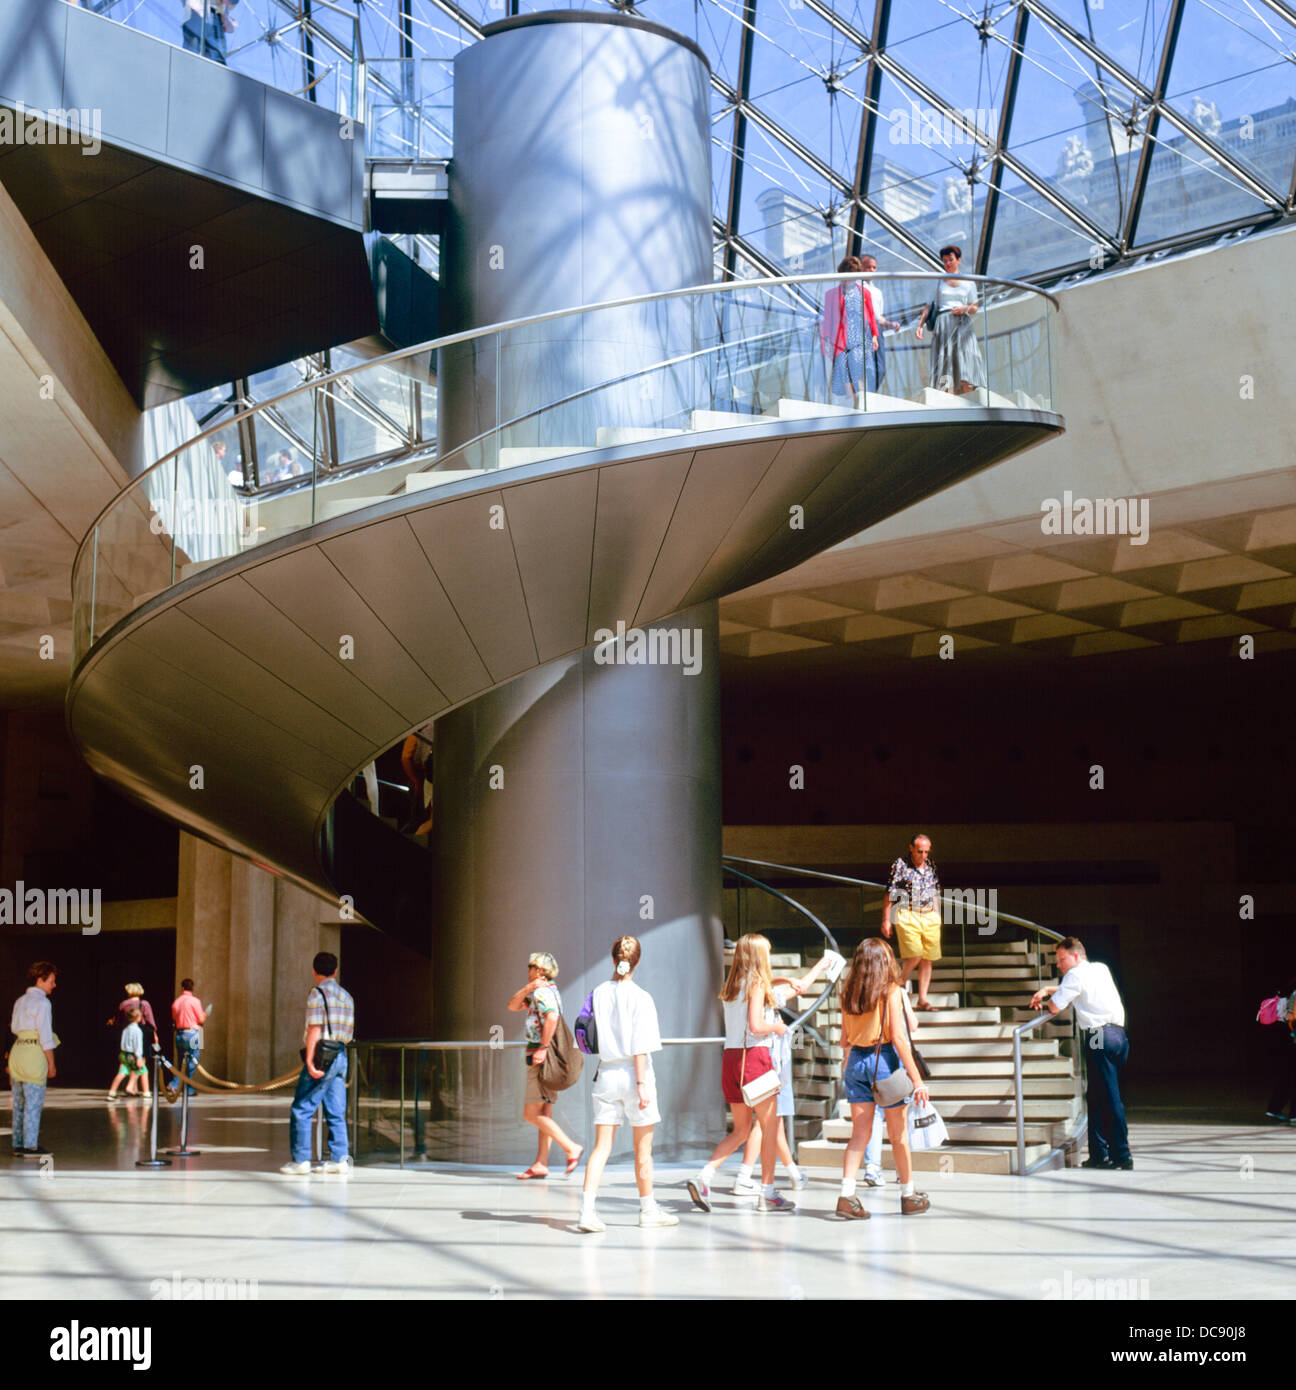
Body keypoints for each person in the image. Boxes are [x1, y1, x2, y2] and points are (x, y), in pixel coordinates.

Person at [577, 936, 678, 1232]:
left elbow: (584, 1034)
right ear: (638, 962)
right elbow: (640, 1046)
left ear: (613, 959)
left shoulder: (597, 993)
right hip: (636, 1077)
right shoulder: (642, 997)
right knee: (642, 1150)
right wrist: (642, 1084)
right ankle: (648, 1209)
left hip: (606, 1074)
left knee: (600, 1148)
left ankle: (586, 1211)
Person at [687, 933, 793, 1214]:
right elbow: (756, 1026)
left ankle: (705, 1177)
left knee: (741, 1130)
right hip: (755, 1058)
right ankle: (768, 1193)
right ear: (760, 956)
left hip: (731, 1059)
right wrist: (778, 1028)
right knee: (769, 1129)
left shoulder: (731, 986)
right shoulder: (757, 983)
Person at [732, 950, 844, 1198]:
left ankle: (791, 1173)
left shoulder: (744, 991)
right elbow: (801, 987)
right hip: (769, 1062)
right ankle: (747, 1176)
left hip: (763, 1061)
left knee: (773, 1123)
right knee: (766, 1123)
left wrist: (783, 979)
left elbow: (785, 986)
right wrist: (820, 967)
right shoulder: (763, 998)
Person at [835, 938, 931, 1218]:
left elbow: (844, 1040)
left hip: (855, 1062)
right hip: (884, 1061)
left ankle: (846, 1195)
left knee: (859, 1135)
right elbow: (899, 1038)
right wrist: (918, 1081)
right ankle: (908, 1195)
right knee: (899, 1136)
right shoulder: (891, 990)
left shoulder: (847, 992)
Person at [1030, 937, 1131, 1170]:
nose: (1059, 965)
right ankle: (1099, 1154)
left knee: (1107, 1095)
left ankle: (1122, 1155)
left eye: (1062, 959)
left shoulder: (1074, 976)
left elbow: (1056, 1006)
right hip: (1118, 1036)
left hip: (1098, 1035)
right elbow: (1075, 986)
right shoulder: (1100, 969)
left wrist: (1047, 999)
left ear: (1076, 956)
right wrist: (1048, 989)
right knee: (1096, 1094)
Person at [506, 952, 582, 1180]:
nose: (527, 971)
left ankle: (571, 1147)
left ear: (539, 970)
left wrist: (542, 1047)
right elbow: (513, 1005)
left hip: (540, 1060)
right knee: (544, 1112)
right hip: (547, 1059)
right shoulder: (547, 991)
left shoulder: (541, 992)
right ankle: (541, 1162)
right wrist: (528, 988)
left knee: (530, 1114)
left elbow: (551, 1018)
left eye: (530, 967)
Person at [280, 952, 355, 1176]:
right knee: (336, 1109)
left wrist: (311, 1061)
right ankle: (340, 1159)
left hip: (324, 1055)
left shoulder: (317, 994)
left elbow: (315, 1029)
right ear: (335, 970)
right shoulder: (346, 996)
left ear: (314, 971)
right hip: (341, 1053)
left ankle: (301, 1159)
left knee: (302, 1107)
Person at [860, 984, 919, 1186]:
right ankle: (901, 1171)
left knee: (875, 1113)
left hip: (873, 1055)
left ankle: (872, 1168)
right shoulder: (898, 992)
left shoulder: (866, 990)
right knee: (900, 1119)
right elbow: (912, 1025)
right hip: (897, 1059)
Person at [881, 834, 943, 1010]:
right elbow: (889, 893)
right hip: (907, 912)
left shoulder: (930, 865)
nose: (923, 855)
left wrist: (937, 914)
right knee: (914, 954)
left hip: (929, 914)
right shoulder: (900, 865)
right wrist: (886, 919)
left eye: (926, 852)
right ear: (911, 848)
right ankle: (897, 984)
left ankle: (922, 999)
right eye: (920, 851)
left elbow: (935, 891)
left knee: (927, 958)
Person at [915, 244, 986, 395]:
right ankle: (947, 394)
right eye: (945, 261)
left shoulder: (968, 282)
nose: (947, 264)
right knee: (945, 360)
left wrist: (964, 308)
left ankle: (969, 394)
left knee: (966, 357)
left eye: (951, 260)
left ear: (959, 260)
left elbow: (974, 307)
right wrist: (920, 325)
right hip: (943, 323)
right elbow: (928, 307)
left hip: (962, 322)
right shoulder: (937, 282)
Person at [8, 963, 58, 1157]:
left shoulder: (20, 1001)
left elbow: (13, 1027)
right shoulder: (43, 1003)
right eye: (51, 981)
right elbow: (45, 1036)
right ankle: (31, 1146)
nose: (54, 985)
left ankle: (18, 1144)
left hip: (17, 1051)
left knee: (19, 1103)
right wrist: (51, 1064)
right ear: (41, 979)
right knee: (33, 1103)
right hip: (33, 1053)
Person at [821, 256, 878, 404]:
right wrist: (826, 341)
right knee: (845, 371)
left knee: (859, 369)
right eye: (848, 275)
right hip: (840, 337)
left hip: (861, 336)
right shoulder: (831, 294)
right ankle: (852, 401)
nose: (851, 279)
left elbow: (871, 315)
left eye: (854, 275)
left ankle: (862, 399)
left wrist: (875, 335)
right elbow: (828, 320)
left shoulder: (865, 293)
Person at [858, 254, 902, 392]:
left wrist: (890, 324)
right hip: (861, 327)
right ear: (861, 268)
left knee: (880, 368)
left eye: (874, 267)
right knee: (864, 366)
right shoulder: (856, 287)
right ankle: (862, 397)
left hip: (876, 330)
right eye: (868, 267)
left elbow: (879, 317)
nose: (871, 270)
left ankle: (870, 395)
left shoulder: (877, 292)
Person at [1261, 977, 1296, 1123]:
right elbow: (1292, 1017)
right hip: (1293, 1037)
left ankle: (1274, 1109)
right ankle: (1293, 1113)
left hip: (1287, 1038)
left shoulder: (1289, 993)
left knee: (1288, 1075)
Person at [169, 979, 209, 1100]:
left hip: (180, 1033)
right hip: (194, 1033)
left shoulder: (176, 1002)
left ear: (182, 988)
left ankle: (188, 1089)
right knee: (193, 1062)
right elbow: (201, 1020)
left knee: (182, 1062)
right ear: (192, 988)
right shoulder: (195, 1001)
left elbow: (174, 1019)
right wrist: (206, 1014)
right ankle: (175, 1084)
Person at [107, 1009, 149, 1103]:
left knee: (122, 1072)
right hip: (133, 1055)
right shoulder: (137, 1030)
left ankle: (112, 1092)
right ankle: (146, 1093)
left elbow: (123, 1042)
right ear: (138, 1017)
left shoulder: (126, 1029)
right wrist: (138, 1057)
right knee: (144, 1071)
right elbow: (138, 1045)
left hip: (124, 1053)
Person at [181, 0, 236, 65]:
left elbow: (231, 3)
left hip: (215, 16)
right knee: (191, 54)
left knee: (216, 59)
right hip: (199, 11)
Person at [108, 984, 158, 1053]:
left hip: (127, 1033)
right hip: (142, 1034)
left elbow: (117, 1021)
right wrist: (155, 1035)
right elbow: (150, 1022)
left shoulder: (123, 1004)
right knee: (142, 1054)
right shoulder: (145, 1004)